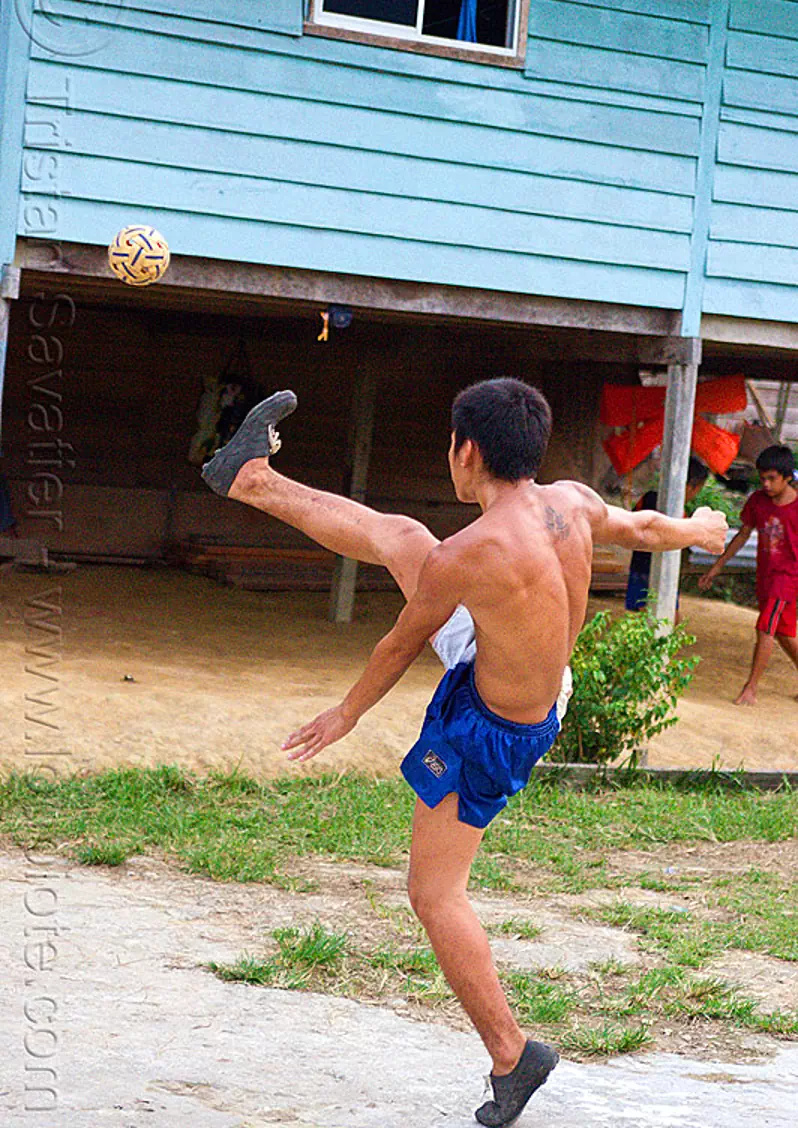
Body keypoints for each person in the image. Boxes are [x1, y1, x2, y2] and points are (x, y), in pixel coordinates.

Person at [202, 379, 727, 1127]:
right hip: (539, 687)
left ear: (467, 450)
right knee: (402, 537)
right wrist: (697, 528)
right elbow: (640, 526)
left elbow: (399, 645)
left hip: (488, 730)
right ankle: (251, 478)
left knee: (435, 894)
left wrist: (345, 714)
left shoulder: (472, 553)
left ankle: (513, 1055)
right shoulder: (571, 502)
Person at [700, 444, 798, 706]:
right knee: (783, 633)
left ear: (787, 477)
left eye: (772, 478)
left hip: (787, 578)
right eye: (762, 478)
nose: (765, 484)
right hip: (765, 576)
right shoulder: (757, 501)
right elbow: (743, 534)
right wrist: (718, 566)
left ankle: (750, 688)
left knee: (765, 627)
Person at [625, 456, 709, 613]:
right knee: (663, 612)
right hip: (660, 570)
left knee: (641, 612)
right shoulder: (678, 512)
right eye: (698, 489)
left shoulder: (648, 498)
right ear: (690, 487)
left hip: (640, 564)